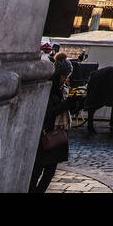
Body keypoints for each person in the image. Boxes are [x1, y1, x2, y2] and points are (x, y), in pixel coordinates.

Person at [30, 58, 73, 192]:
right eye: (63, 76)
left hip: (56, 135)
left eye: (67, 76)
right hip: (45, 134)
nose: (65, 79)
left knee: (50, 171)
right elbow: (47, 113)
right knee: (37, 170)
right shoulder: (48, 89)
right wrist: (65, 105)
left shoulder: (62, 90)